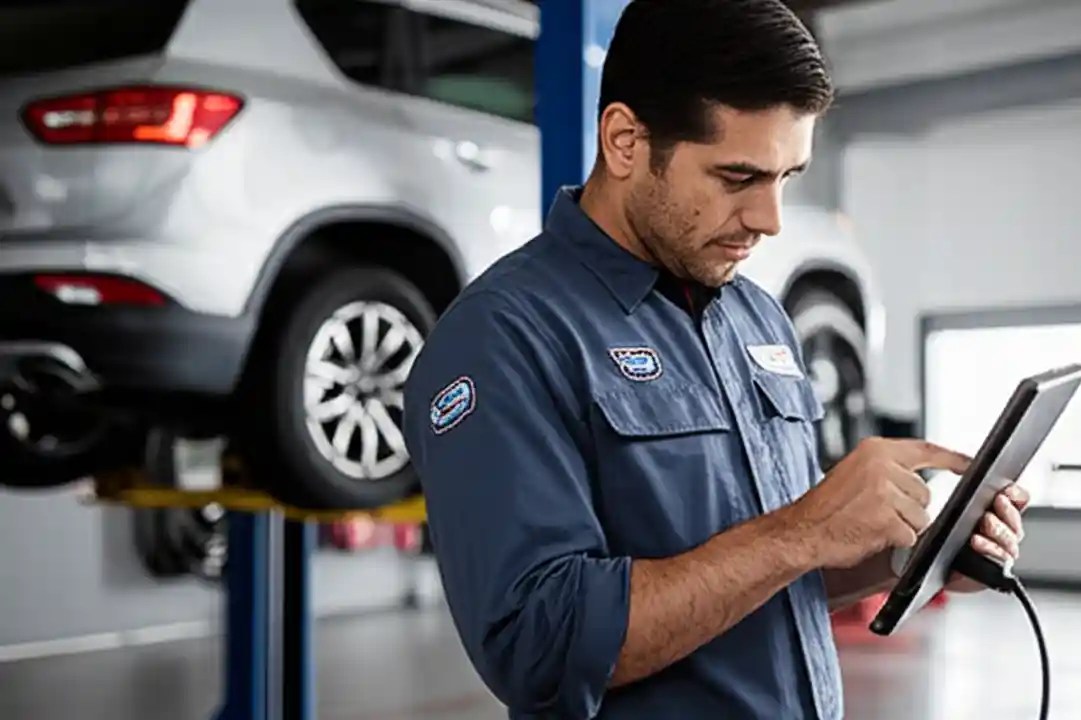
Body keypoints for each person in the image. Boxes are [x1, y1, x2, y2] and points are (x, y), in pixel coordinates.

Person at [403, 1, 1030, 718]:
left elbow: (773, 574)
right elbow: (539, 647)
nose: (770, 220)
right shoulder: (504, 339)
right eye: (738, 179)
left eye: (787, 177)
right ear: (625, 141)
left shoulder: (757, 316)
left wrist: (927, 556)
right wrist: (803, 529)